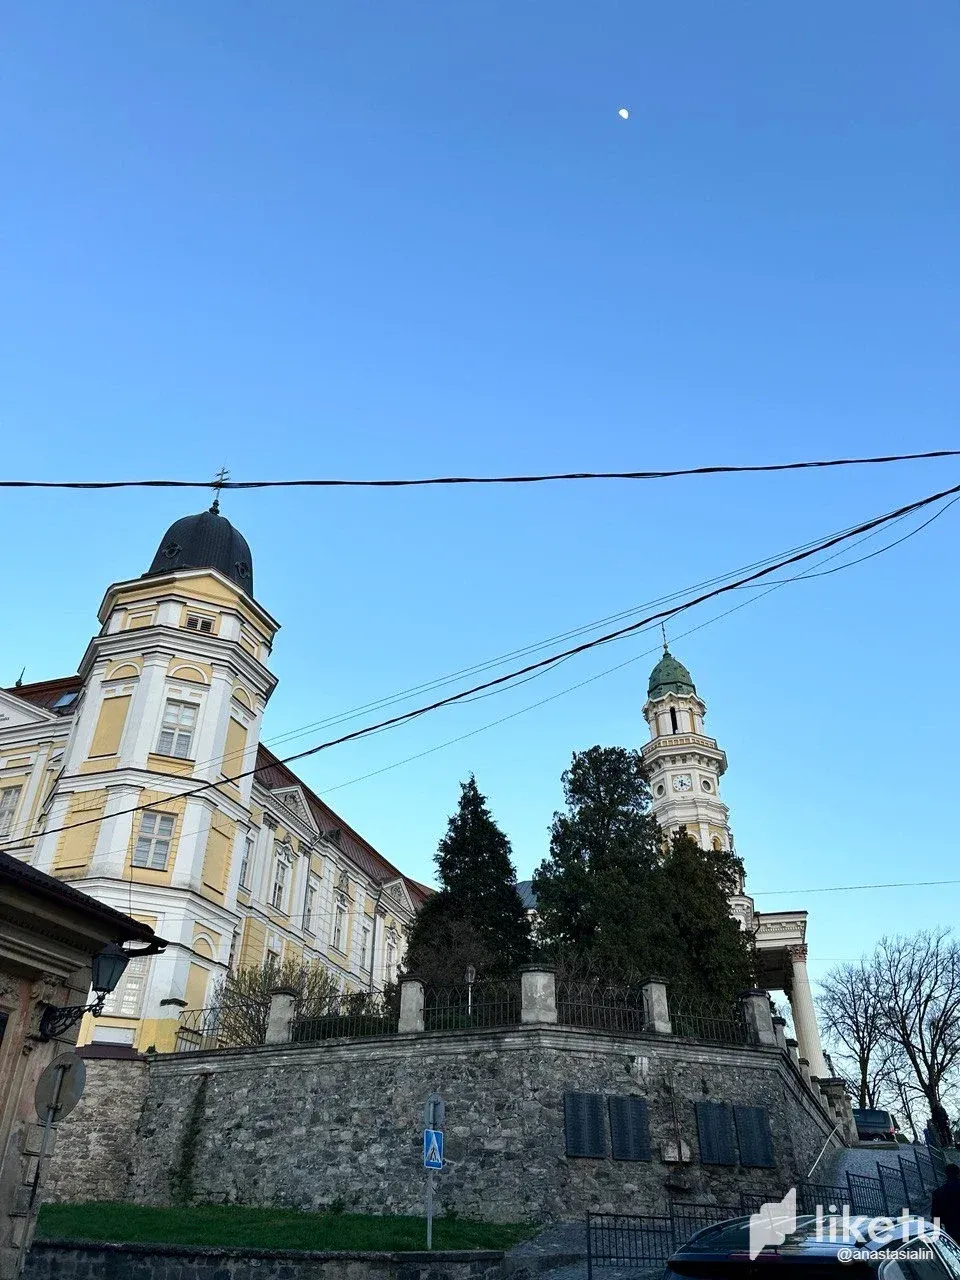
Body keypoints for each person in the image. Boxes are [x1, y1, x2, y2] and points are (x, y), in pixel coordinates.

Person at [931, 1164, 960, 1243]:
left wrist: (938, 1237)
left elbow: (935, 1216)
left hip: (951, 1231)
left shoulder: (938, 1193)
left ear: (946, 1174)